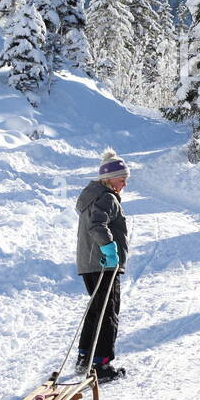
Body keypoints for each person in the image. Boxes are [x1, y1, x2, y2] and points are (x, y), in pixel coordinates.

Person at [74, 148, 129, 382]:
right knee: (108, 312)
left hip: (89, 264)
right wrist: (109, 248)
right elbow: (97, 225)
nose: (124, 184)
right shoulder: (106, 197)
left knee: (97, 309)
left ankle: (85, 357)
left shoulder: (92, 195)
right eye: (122, 179)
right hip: (103, 264)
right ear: (109, 179)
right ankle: (102, 365)